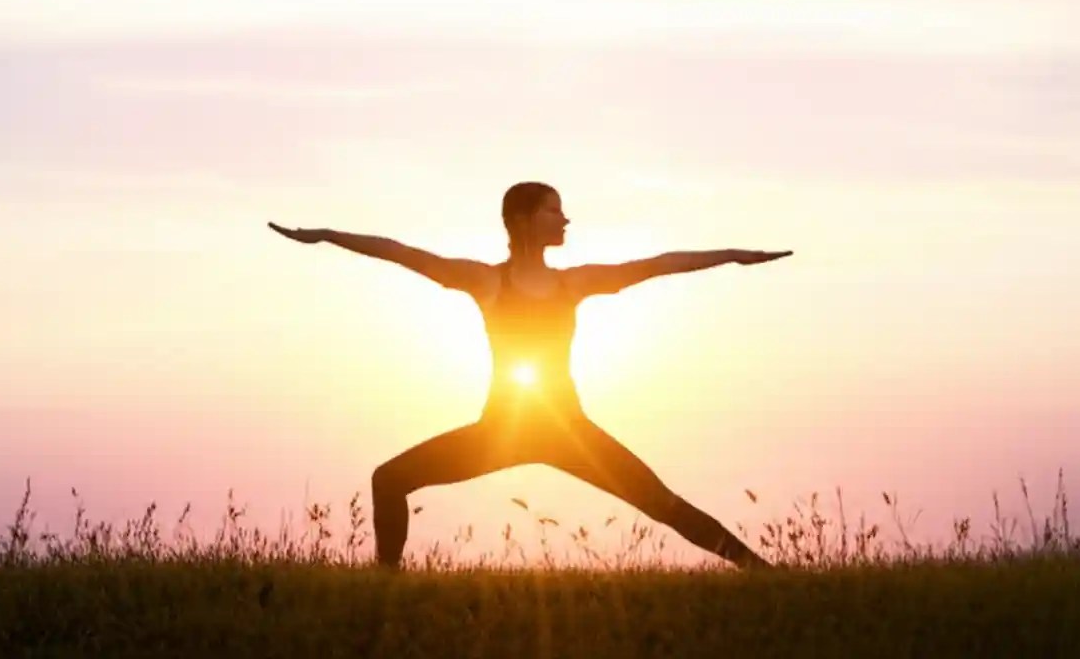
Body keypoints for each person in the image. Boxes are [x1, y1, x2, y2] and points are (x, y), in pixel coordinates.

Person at [269, 182, 792, 568]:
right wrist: (326, 236)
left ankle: (768, 575)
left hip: (570, 433)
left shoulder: (575, 283)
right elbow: (403, 254)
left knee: (665, 506)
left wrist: (730, 256)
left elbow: (657, 264)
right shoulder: (486, 281)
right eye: (553, 211)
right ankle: (385, 583)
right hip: (498, 433)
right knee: (390, 479)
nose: (565, 220)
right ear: (522, 220)